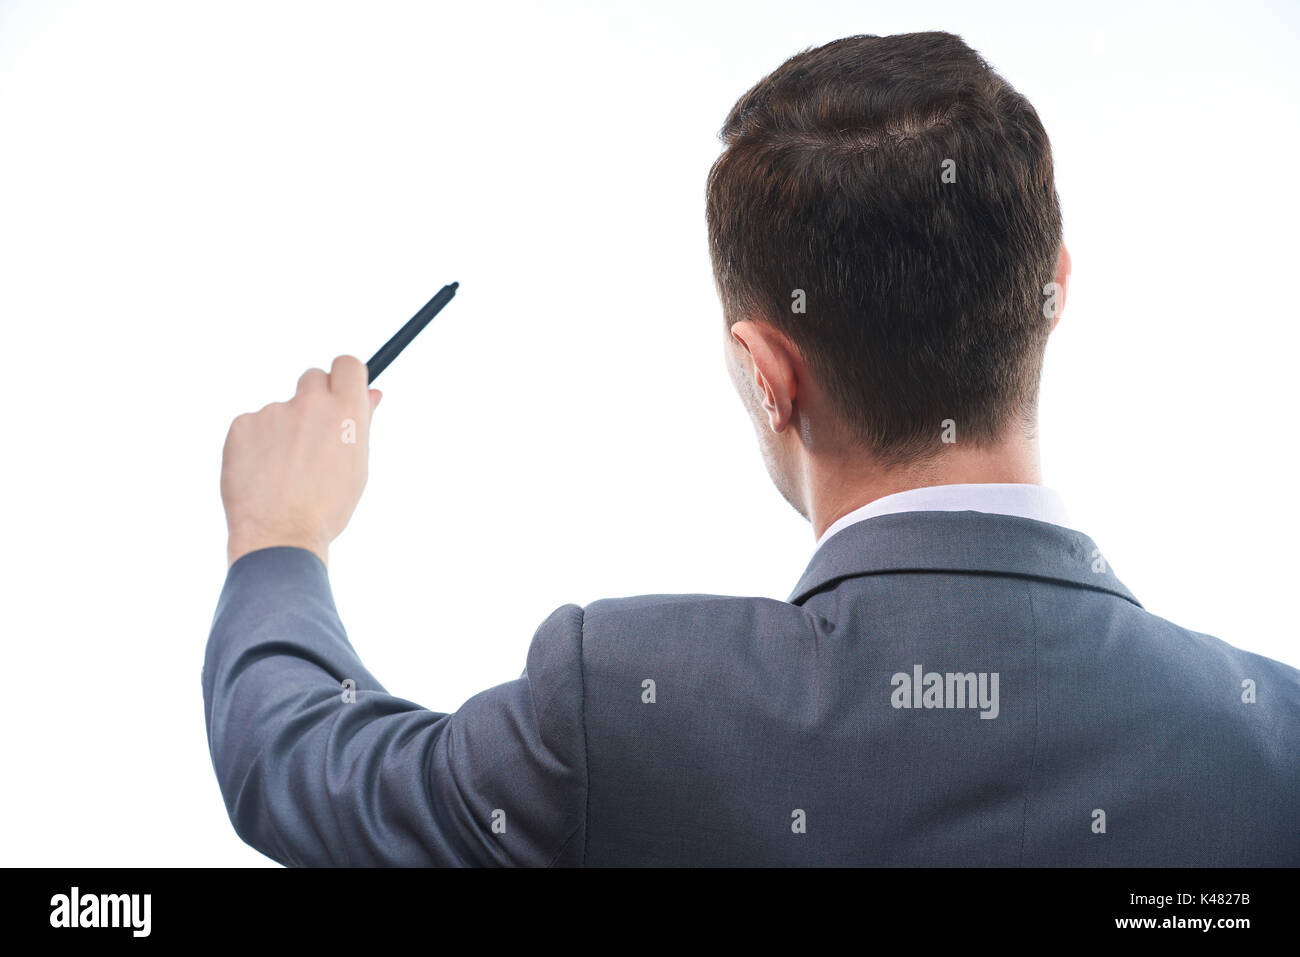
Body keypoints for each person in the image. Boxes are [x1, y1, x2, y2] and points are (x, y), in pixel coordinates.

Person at [204, 31, 1300, 866]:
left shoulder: (623, 709)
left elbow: (301, 768)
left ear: (766, 373)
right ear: (1053, 290)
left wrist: (280, 540)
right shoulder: (1272, 743)